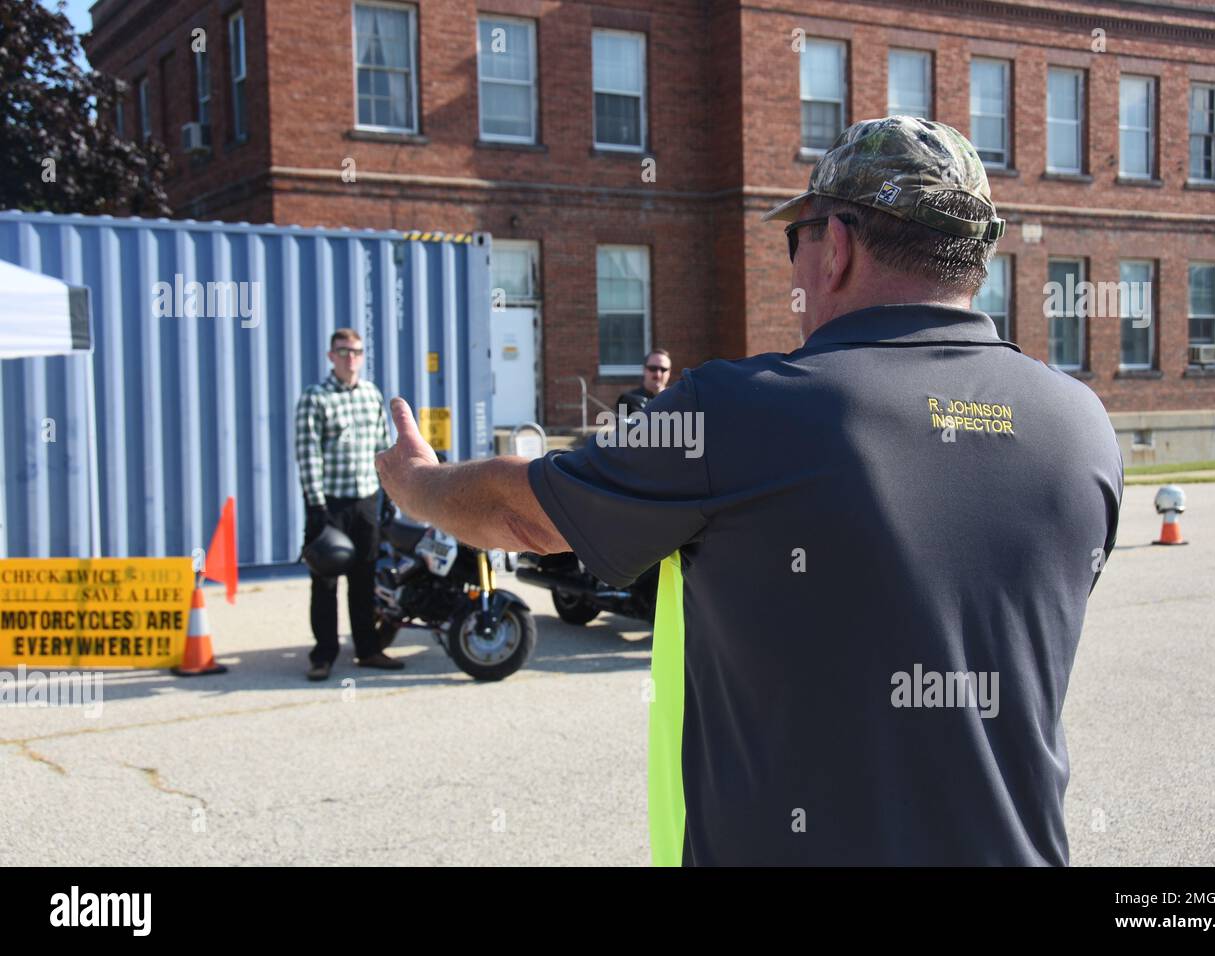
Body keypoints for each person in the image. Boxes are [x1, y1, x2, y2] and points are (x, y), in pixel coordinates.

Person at [375, 116, 1123, 866]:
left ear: (835, 247)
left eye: (793, 240)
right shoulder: (1081, 428)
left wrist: (417, 484)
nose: (794, 268)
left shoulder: (739, 412)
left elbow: (525, 516)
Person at [295, 328, 404, 681]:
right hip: (330, 505)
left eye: (355, 351)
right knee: (325, 582)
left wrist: (388, 493)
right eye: (342, 352)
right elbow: (308, 453)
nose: (350, 358)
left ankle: (368, 649)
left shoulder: (371, 395)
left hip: (365, 502)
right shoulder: (316, 398)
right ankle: (323, 655)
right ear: (331, 356)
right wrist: (316, 507)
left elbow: (383, 447)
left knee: (364, 579)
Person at [616, 348, 672, 418]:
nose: (658, 374)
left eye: (663, 369)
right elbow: (622, 428)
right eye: (653, 368)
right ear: (644, 369)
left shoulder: (676, 400)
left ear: (669, 372)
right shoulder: (627, 400)